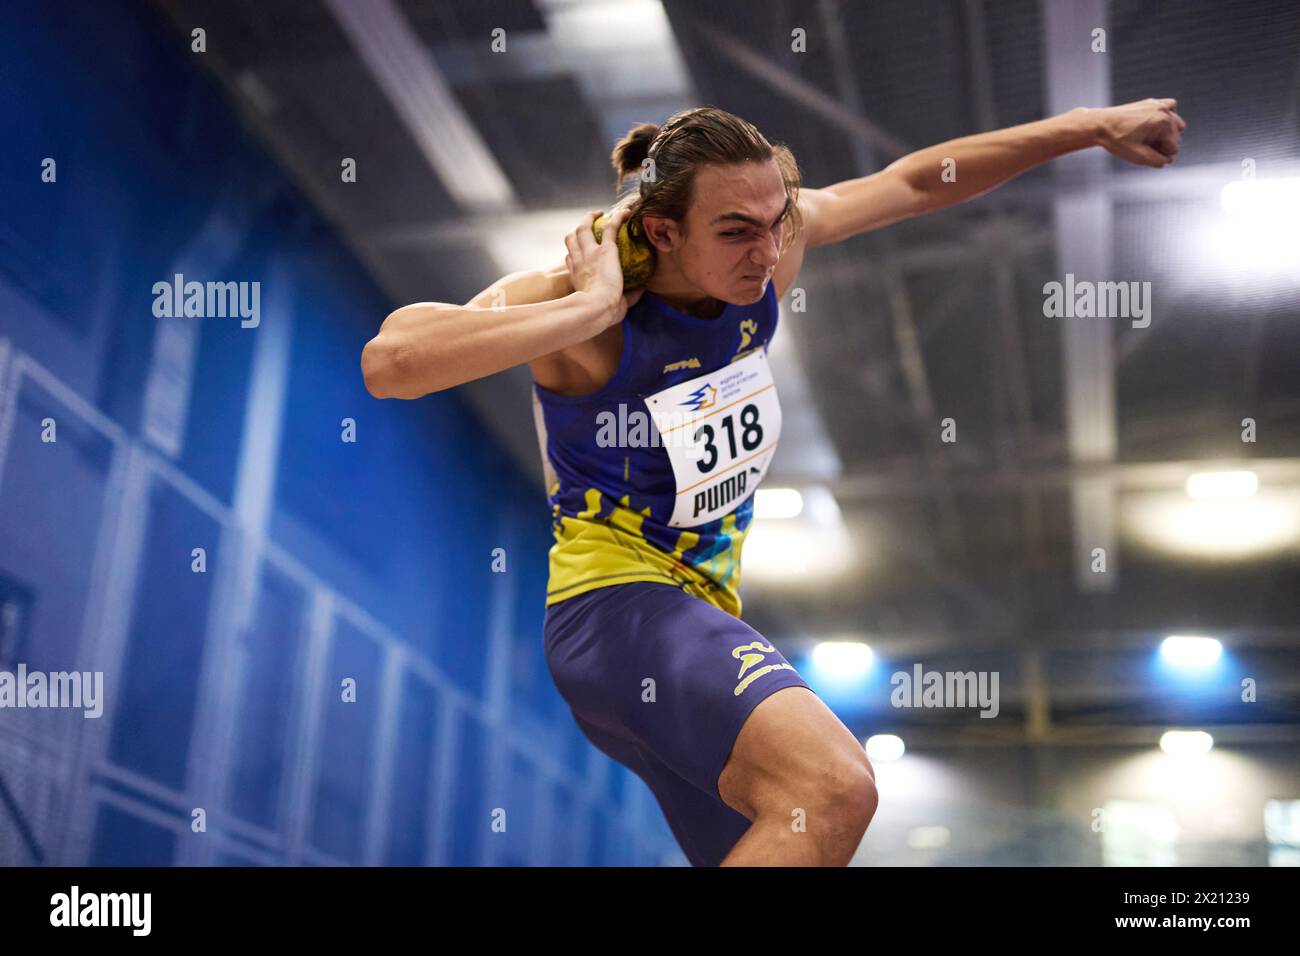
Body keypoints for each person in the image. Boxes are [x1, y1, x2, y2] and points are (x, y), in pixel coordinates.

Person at [362, 99, 1186, 866]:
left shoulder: (768, 246)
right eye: (735, 231)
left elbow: (909, 182)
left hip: (692, 618)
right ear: (663, 228)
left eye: (777, 221)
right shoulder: (574, 300)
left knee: (798, 832)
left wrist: (1086, 126)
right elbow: (391, 362)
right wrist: (590, 311)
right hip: (616, 608)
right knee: (835, 788)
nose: (767, 251)